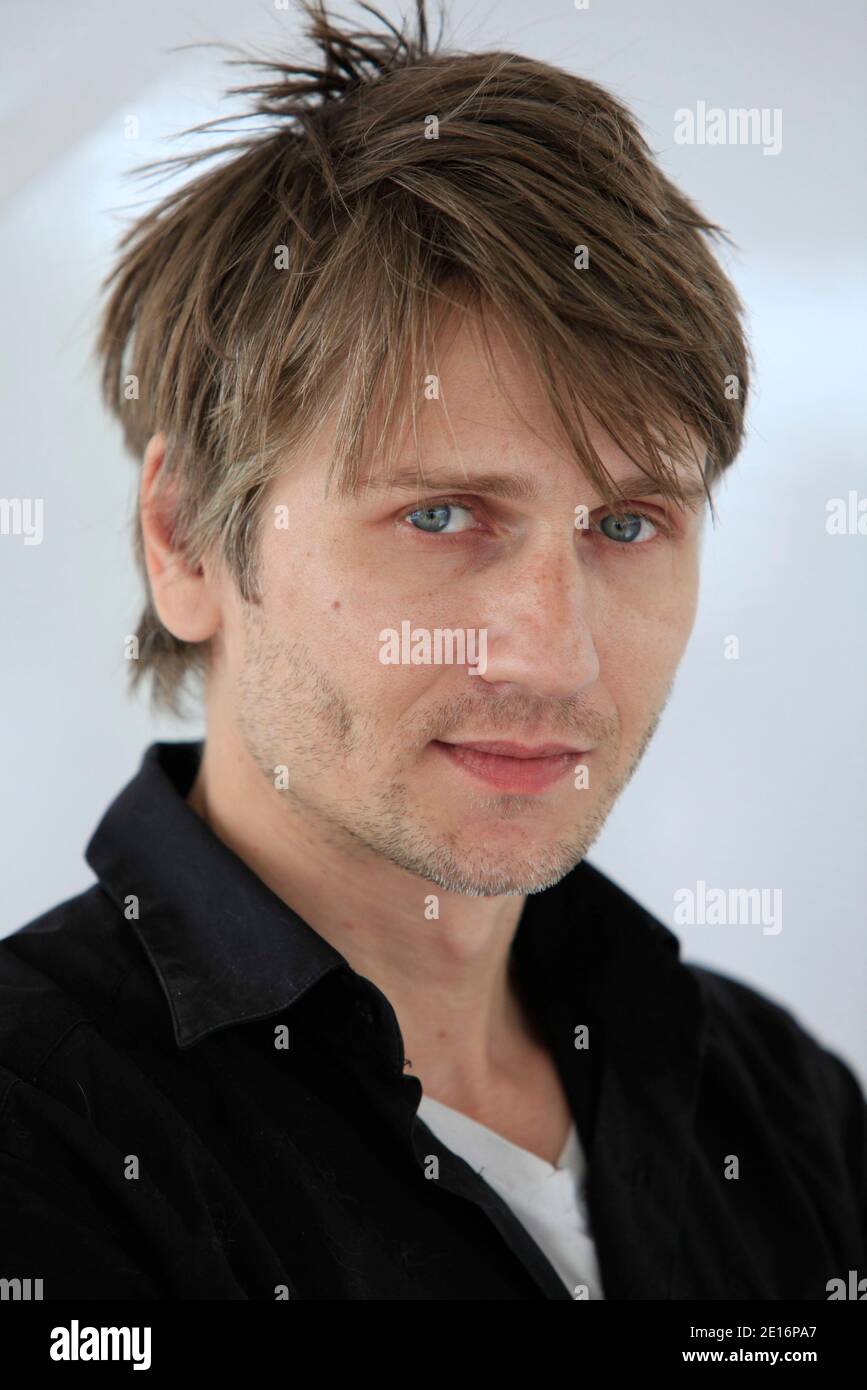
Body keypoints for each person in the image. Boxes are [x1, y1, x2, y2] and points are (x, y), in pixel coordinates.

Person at [1, 0, 863, 1300]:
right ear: (184, 540)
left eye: (628, 522)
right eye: (444, 514)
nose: (555, 653)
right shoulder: (38, 1136)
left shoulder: (783, 1103)